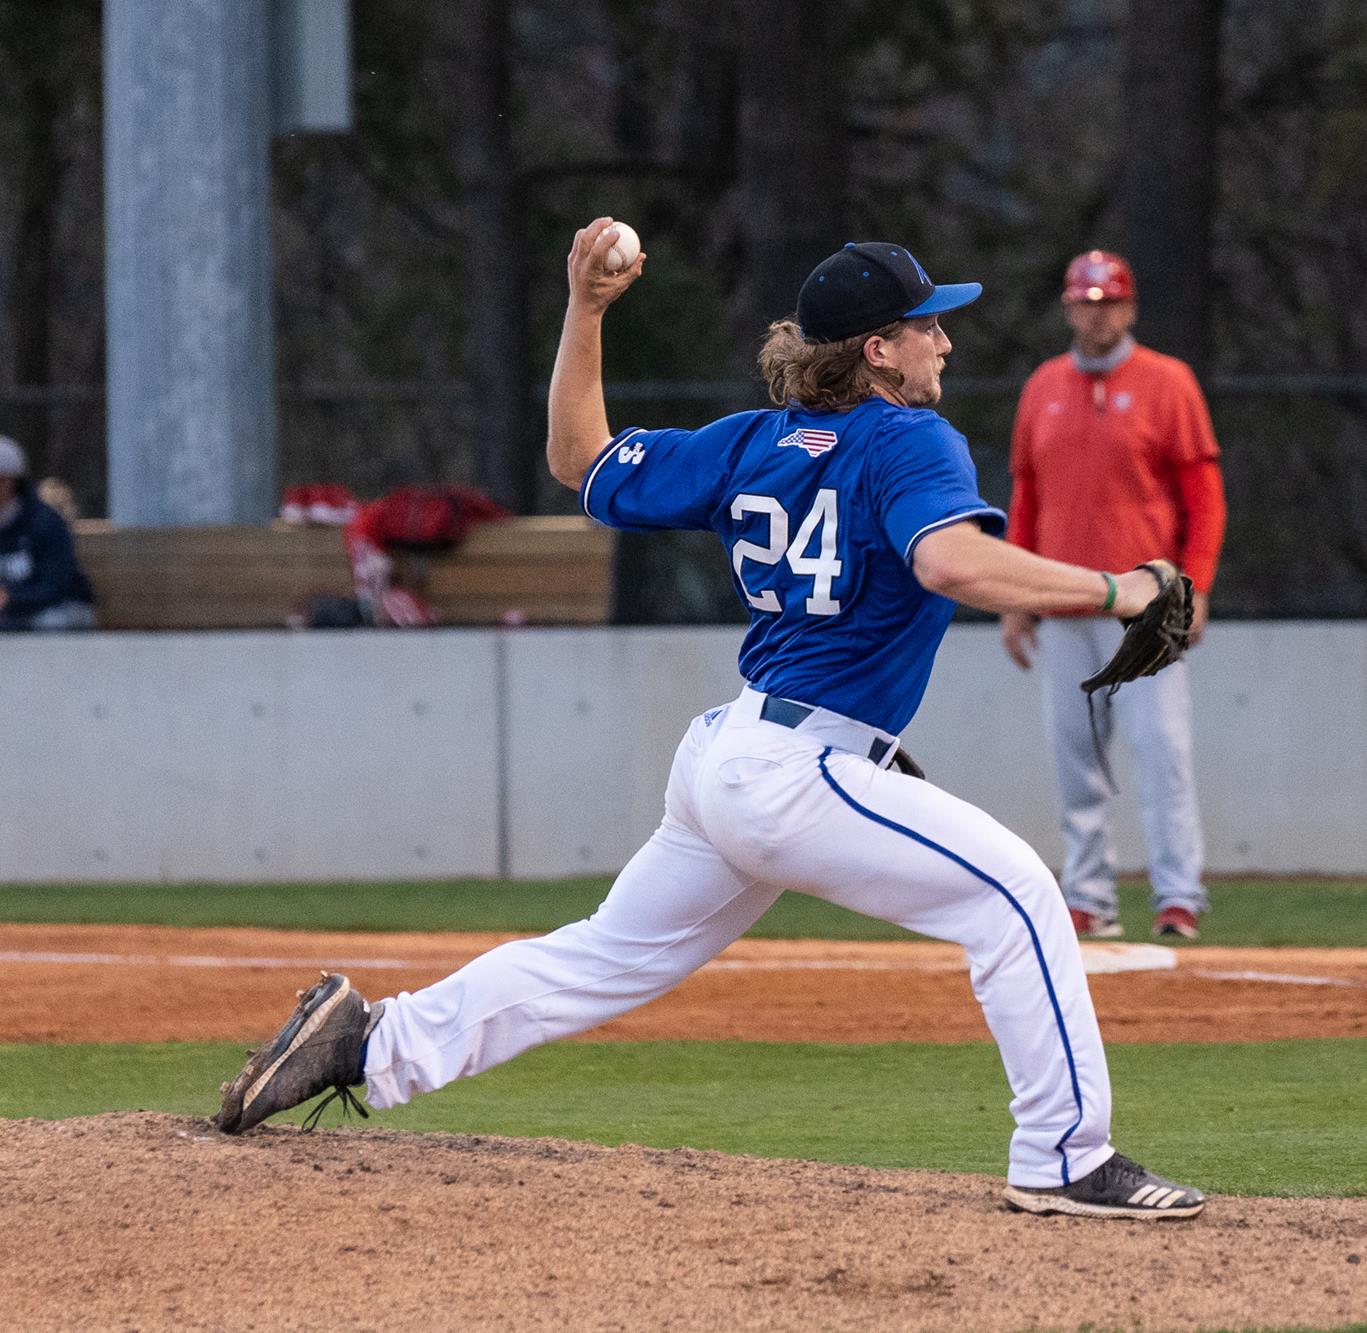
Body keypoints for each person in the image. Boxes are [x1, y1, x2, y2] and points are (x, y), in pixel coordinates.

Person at [213, 221, 1205, 1221]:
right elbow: (949, 562)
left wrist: (584, 312)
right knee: (1020, 895)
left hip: (733, 757)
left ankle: (371, 1042)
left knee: (608, 955)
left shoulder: (751, 440)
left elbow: (578, 459)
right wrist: (1120, 587)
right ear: (875, 350)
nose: (943, 342)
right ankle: (1064, 1154)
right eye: (924, 327)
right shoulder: (908, 438)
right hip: (793, 771)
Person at [1000, 251, 1225, 941]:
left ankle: (1177, 895)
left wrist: (1197, 584)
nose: (1097, 312)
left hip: (1145, 604)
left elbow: (1203, 496)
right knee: (1077, 759)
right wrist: (1015, 595)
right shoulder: (1043, 385)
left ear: (1129, 308)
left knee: (1162, 752)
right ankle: (1089, 895)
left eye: (1109, 301)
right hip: (1066, 601)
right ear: (1069, 308)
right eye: (1085, 301)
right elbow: (1026, 494)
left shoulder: (1168, 381)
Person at [0, 436, 95, 632]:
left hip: (58, 607)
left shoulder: (44, 523)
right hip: (12, 613)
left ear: (8, 482)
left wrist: (12, 598)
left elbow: (56, 586)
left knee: (51, 620)